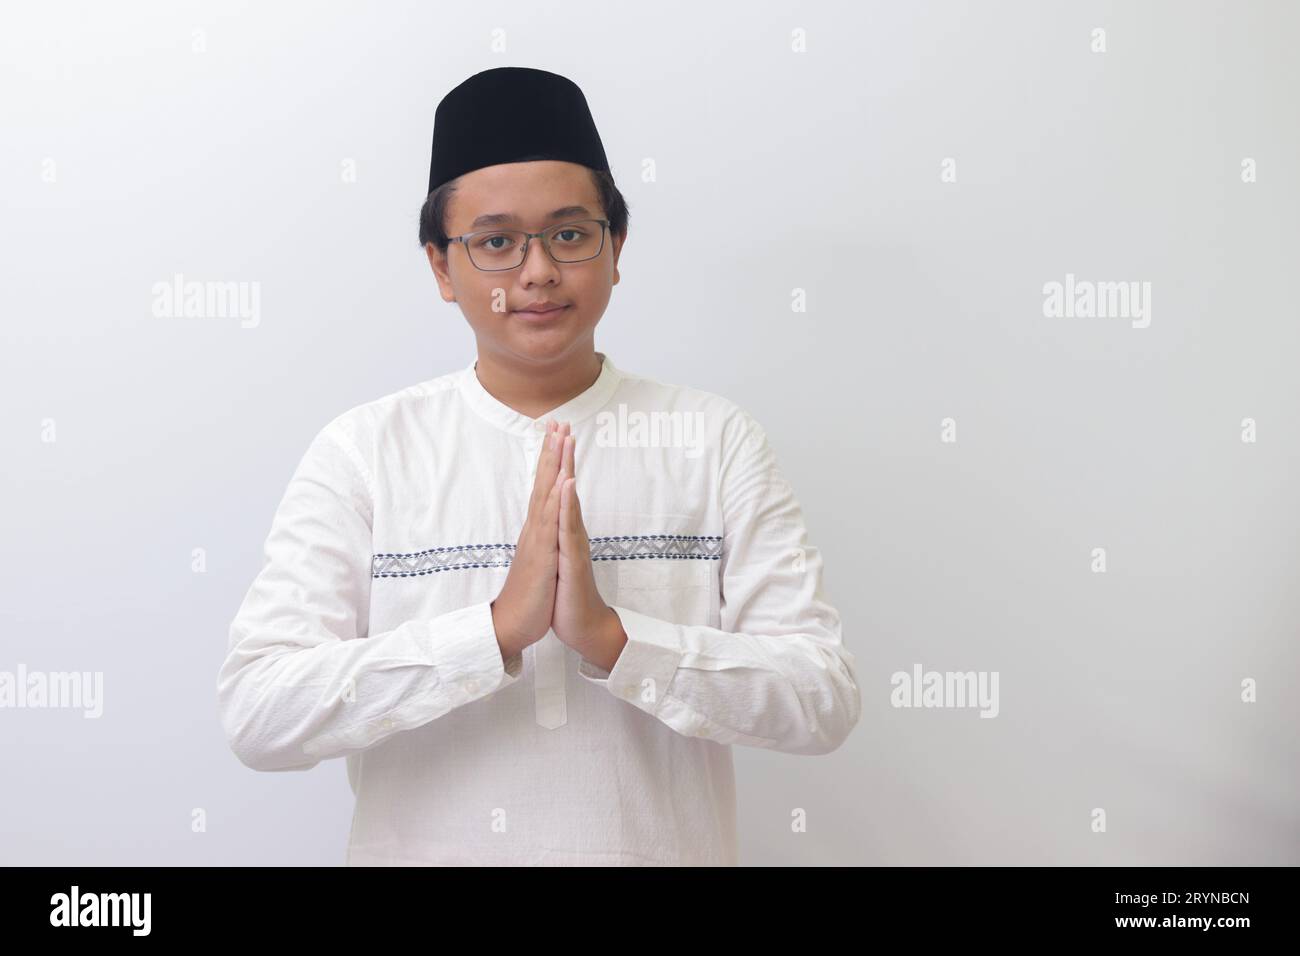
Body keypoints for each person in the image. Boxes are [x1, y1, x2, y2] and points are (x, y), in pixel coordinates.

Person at [217, 66, 860, 866]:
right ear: (441, 268)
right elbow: (258, 713)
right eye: (494, 242)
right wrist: (487, 635)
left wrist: (616, 640)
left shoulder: (713, 439)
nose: (537, 272)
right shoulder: (366, 453)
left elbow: (821, 698)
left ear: (615, 247)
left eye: (568, 233)